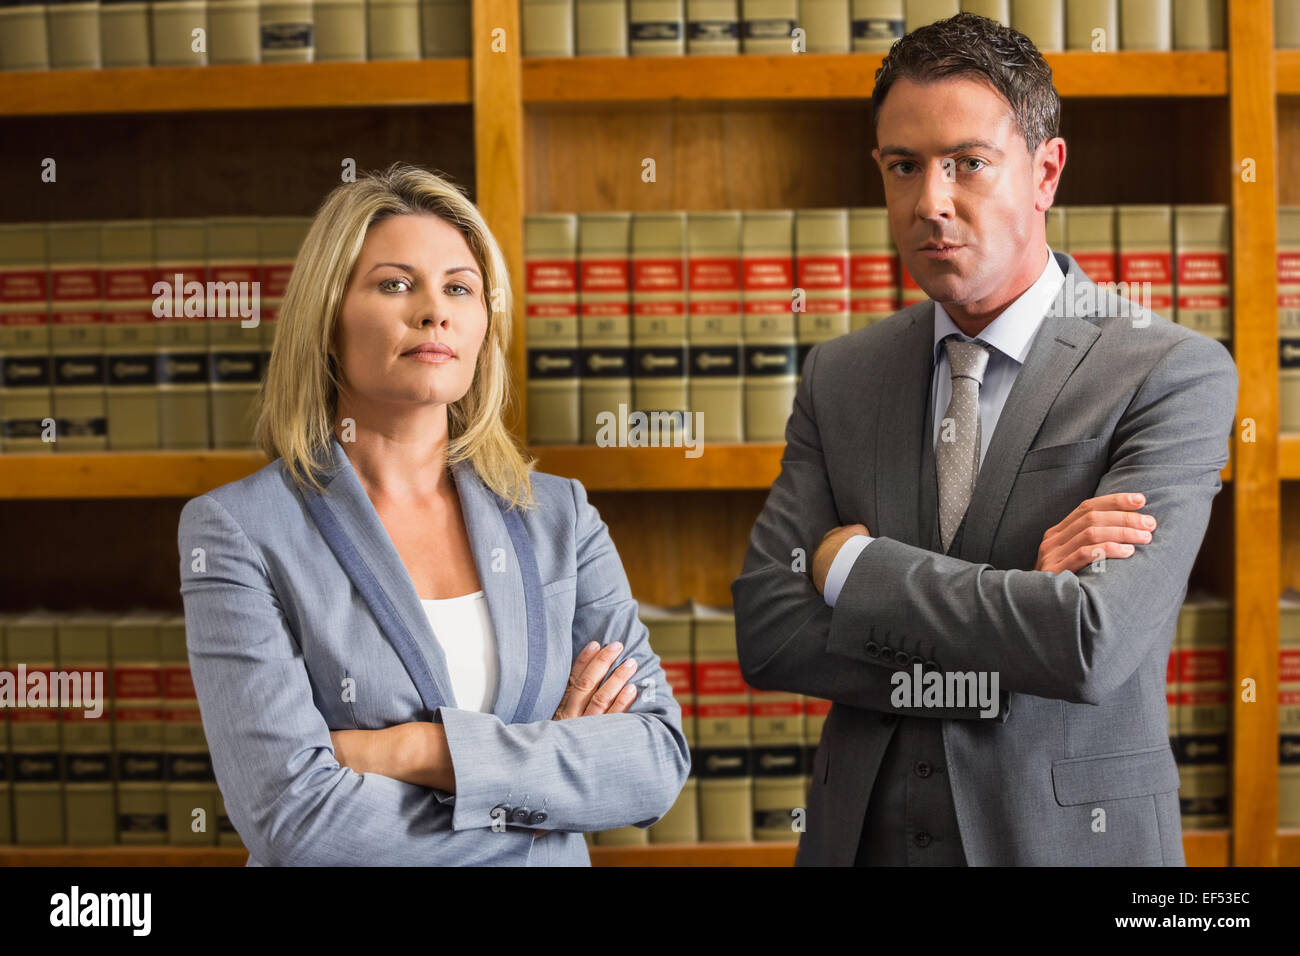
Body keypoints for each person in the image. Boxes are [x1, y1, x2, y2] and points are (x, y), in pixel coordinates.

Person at [731, 13, 1237, 866]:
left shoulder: (1172, 373)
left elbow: (1090, 643)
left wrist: (852, 571)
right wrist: (1018, 610)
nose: (931, 202)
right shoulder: (842, 376)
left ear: (1045, 171)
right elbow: (771, 628)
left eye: (968, 163)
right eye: (904, 167)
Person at [178, 163, 689, 865]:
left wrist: (421, 751)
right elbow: (293, 821)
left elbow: (653, 762)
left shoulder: (559, 517)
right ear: (327, 319)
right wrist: (546, 794)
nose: (434, 310)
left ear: (484, 322)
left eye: (459, 287)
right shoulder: (239, 531)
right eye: (394, 284)